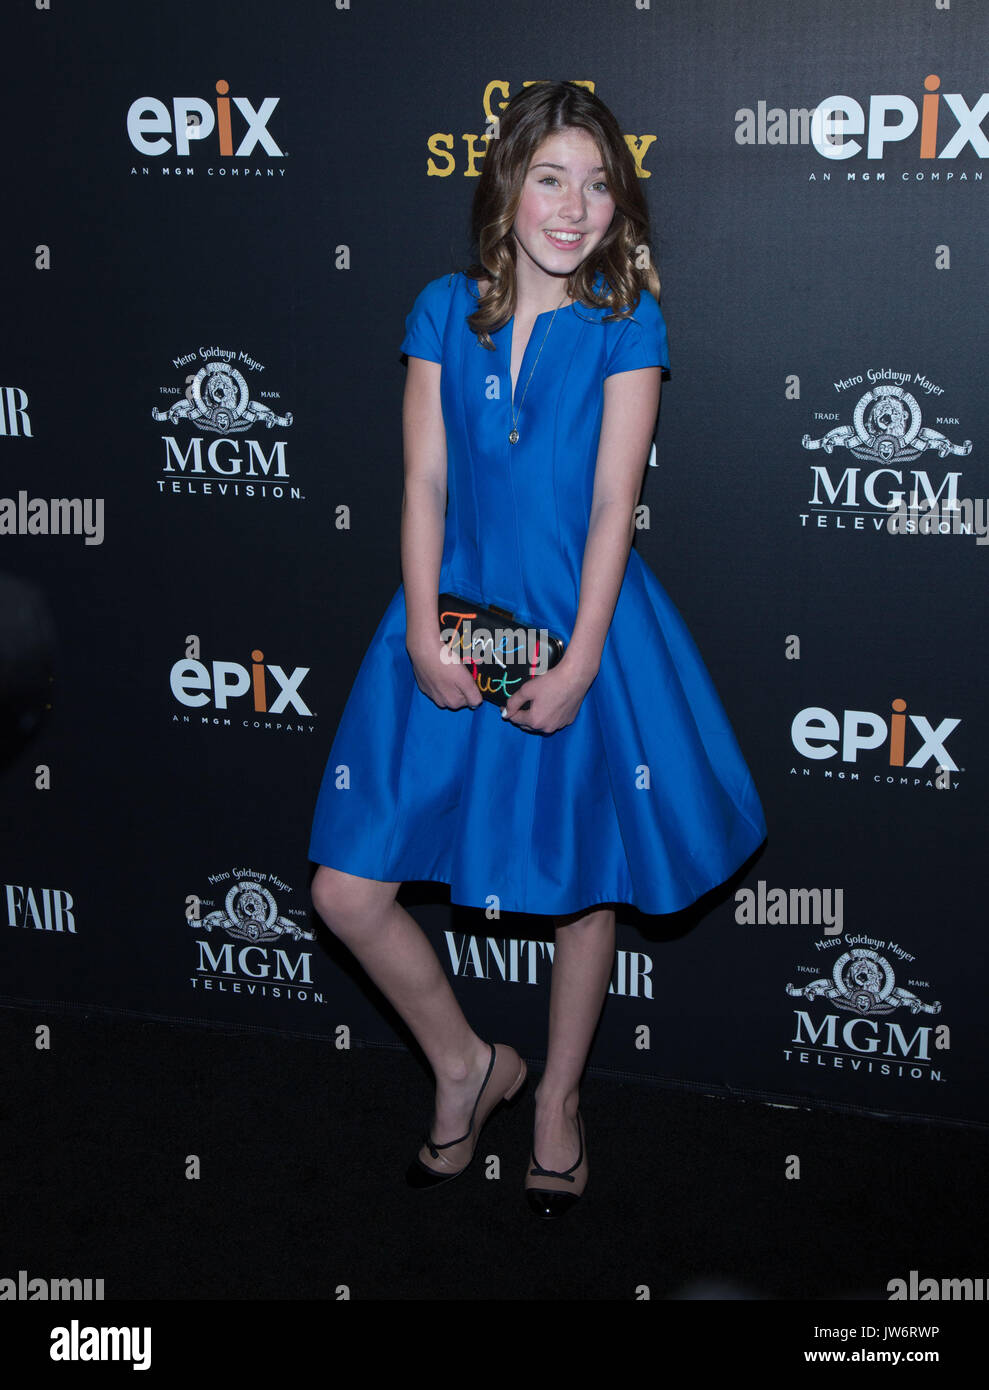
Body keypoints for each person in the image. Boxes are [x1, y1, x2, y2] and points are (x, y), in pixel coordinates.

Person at [309, 81, 767, 1218]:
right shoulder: (439, 310)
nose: (574, 206)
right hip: (448, 616)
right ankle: (466, 1063)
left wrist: (574, 668)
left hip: (579, 630)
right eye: (550, 176)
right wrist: (419, 626)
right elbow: (420, 479)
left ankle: (556, 1099)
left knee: (580, 882)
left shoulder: (628, 322)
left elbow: (614, 506)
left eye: (598, 181)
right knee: (343, 890)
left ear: (621, 201)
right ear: (506, 184)